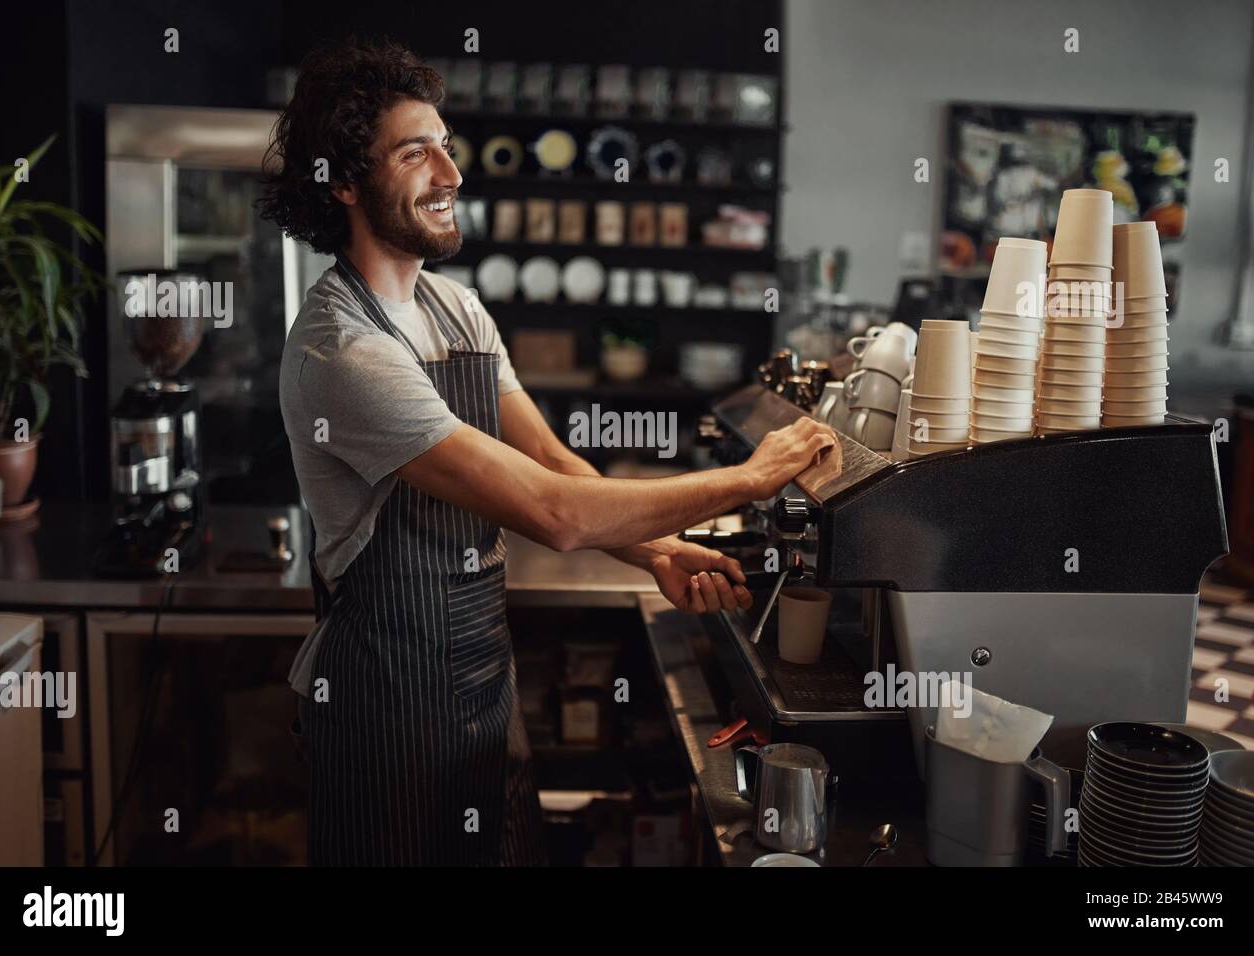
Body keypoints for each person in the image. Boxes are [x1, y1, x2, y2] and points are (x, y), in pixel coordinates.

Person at [261, 37, 834, 866]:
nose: (450, 174)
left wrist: (657, 554)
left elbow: (558, 466)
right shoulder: (342, 353)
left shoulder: (455, 311)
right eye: (415, 152)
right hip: (383, 700)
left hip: (482, 681)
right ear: (345, 182)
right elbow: (554, 515)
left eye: (446, 147)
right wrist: (752, 477)